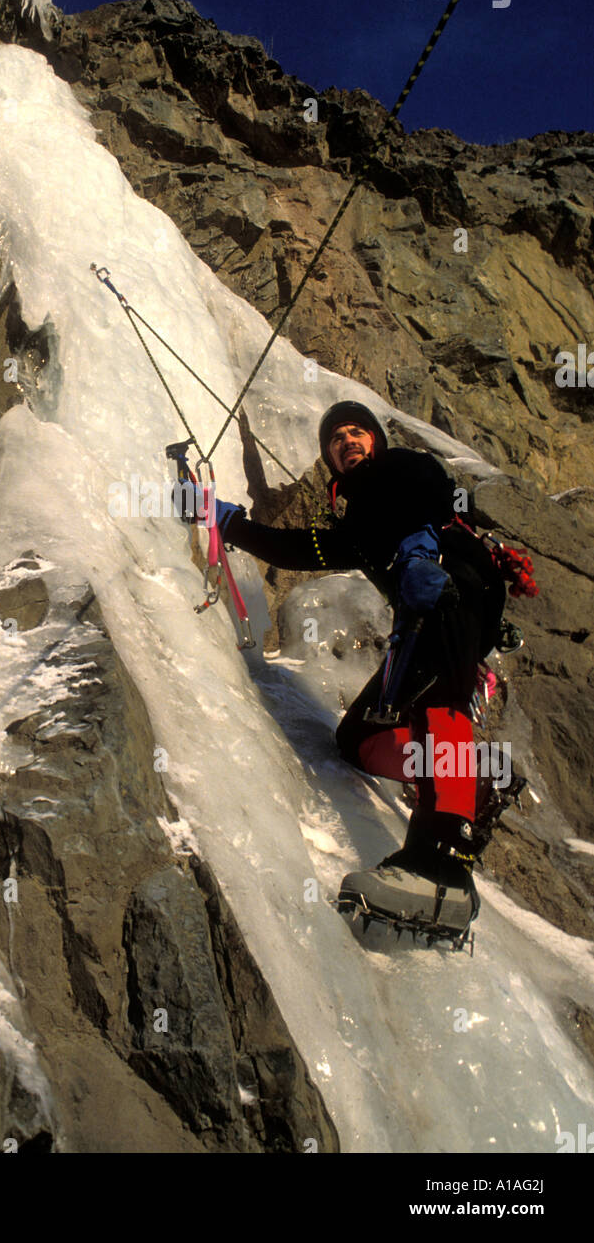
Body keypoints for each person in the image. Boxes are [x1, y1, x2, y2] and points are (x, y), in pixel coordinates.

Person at [213, 400, 510, 936]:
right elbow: (296, 550)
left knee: (437, 708)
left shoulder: (399, 470)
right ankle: (472, 776)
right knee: (358, 738)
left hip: (450, 590)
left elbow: (431, 488)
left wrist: (422, 547)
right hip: (424, 611)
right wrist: (231, 524)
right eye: (336, 439)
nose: (347, 441)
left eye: (357, 432)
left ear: (376, 440)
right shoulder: (359, 523)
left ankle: (439, 861)